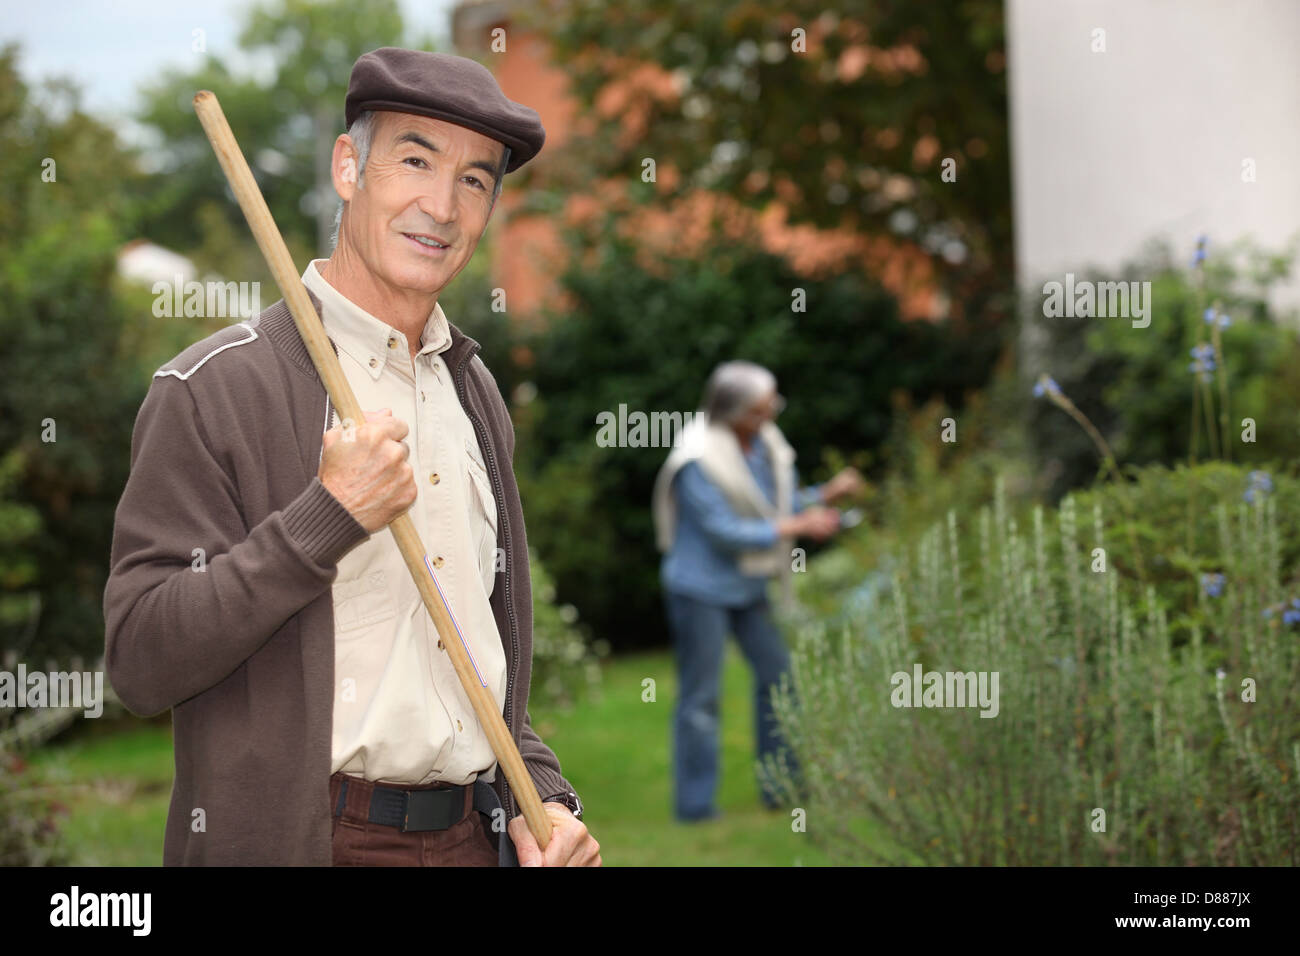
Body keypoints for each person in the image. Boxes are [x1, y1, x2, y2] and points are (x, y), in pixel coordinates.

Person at [103, 48, 599, 866]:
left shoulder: (473, 392)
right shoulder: (210, 389)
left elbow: (474, 660)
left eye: (475, 180)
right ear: (347, 167)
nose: (441, 205)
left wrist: (542, 795)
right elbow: (141, 660)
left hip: (473, 840)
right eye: (415, 161)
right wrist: (323, 519)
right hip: (308, 844)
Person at [652, 361, 864, 821]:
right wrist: (799, 526)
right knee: (702, 698)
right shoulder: (697, 457)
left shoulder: (764, 444)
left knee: (778, 680)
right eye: (763, 409)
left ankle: (780, 788)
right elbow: (725, 531)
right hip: (700, 589)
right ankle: (695, 807)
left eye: (772, 406)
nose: (771, 415)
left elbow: (773, 507)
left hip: (749, 586)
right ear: (734, 412)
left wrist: (824, 495)